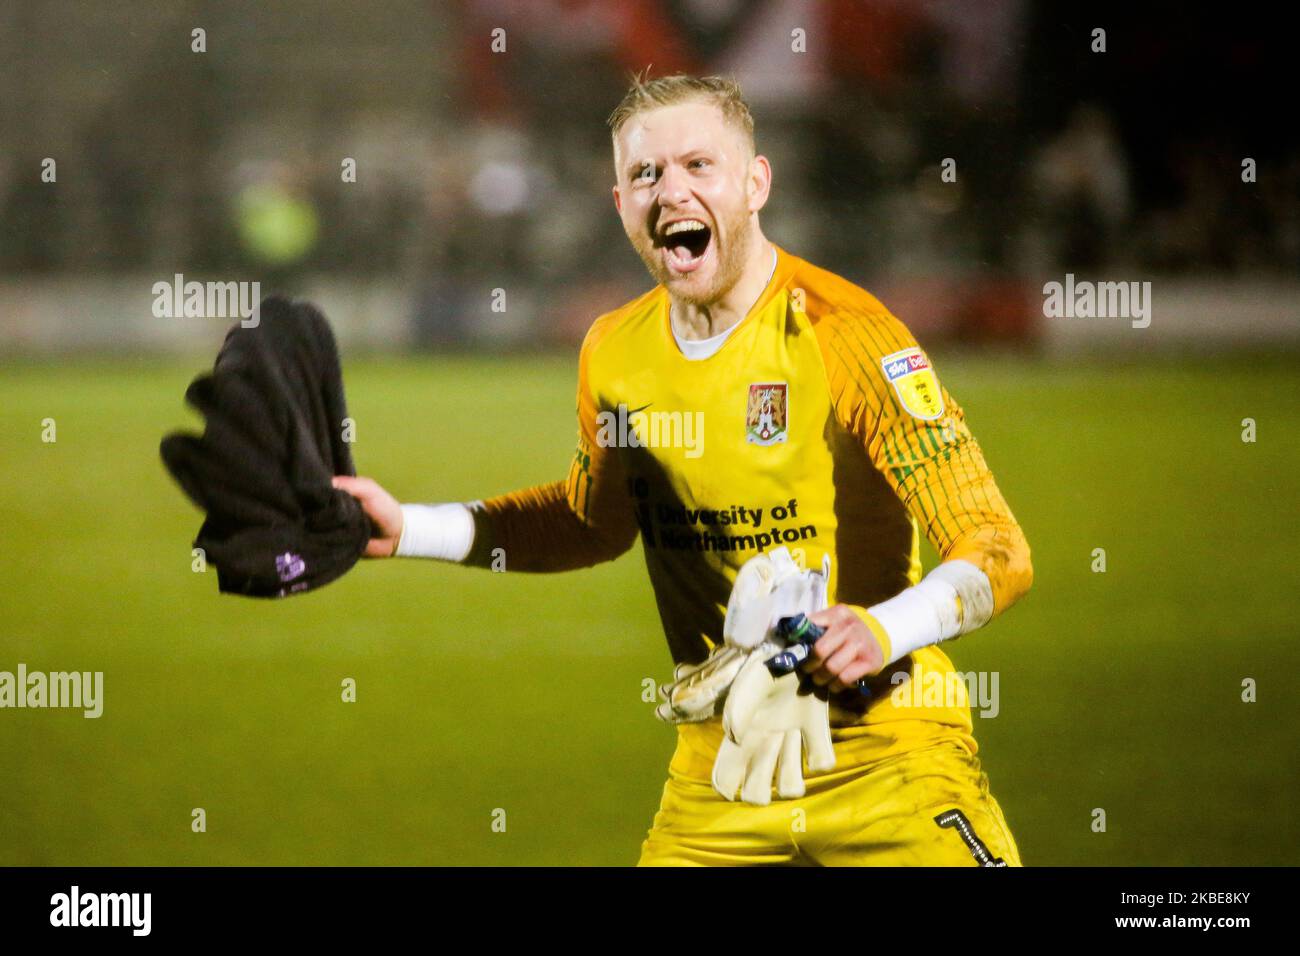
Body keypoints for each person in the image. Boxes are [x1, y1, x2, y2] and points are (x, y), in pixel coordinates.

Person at [334, 73, 1033, 866]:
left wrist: (883, 629)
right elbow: (587, 523)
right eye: (646, 174)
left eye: (699, 166)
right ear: (621, 203)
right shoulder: (615, 352)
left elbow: (996, 546)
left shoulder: (851, 336)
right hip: (723, 767)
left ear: (755, 183)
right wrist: (412, 527)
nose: (671, 190)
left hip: (888, 749)